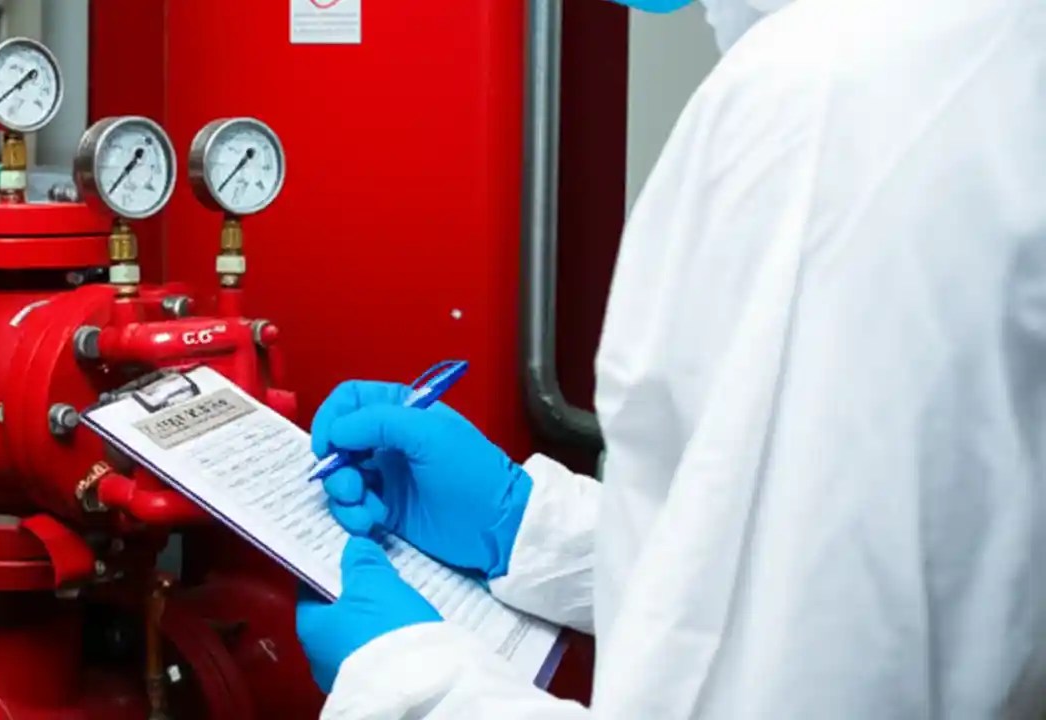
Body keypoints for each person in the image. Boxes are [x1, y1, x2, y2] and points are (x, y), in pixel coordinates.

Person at [296, 0, 1046, 716]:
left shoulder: (832, 100)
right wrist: (526, 529)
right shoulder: (949, 53)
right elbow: (825, 576)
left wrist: (416, 688)